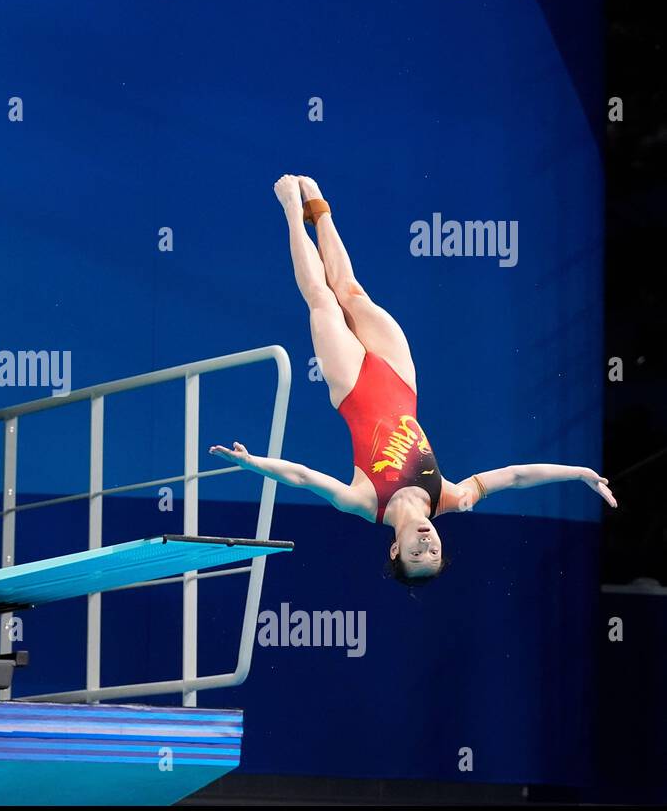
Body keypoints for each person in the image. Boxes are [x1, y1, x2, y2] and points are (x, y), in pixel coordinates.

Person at [211, 175, 616, 587]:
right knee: (352, 292)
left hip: (352, 388)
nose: (426, 545)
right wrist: (578, 471)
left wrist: (253, 463)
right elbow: (514, 476)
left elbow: (303, 477)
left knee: (321, 298)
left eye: (416, 554)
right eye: (434, 552)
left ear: (395, 549)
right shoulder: (452, 498)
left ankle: (292, 214)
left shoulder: (365, 502)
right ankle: (318, 207)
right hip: (400, 381)